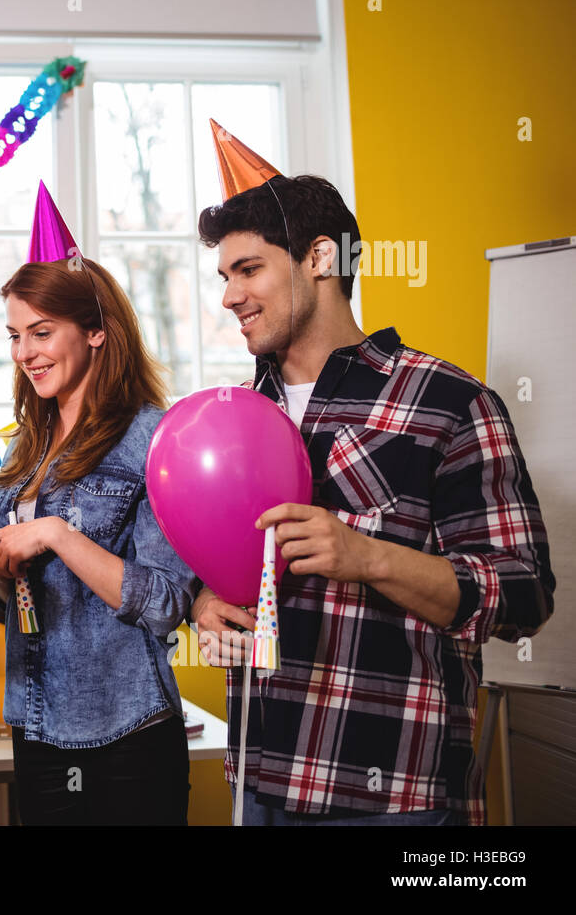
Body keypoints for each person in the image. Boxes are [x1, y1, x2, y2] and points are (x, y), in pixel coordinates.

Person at [192, 136, 554, 825]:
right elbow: (229, 567)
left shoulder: (448, 401)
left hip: (395, 795)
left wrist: (369, 558)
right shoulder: (238, 418)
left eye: (248, 270)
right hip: (262, 780)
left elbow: (523, 595)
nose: (231, 296)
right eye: (224, 278)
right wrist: (208, 601)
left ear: (322, 259)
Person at [0, 184, 198, 825]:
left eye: (42, 332)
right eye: (16, 335)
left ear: (98, 332)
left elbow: (167, 602)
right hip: (36, 722)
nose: (25, 354)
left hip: (126, 733)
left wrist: (54, 534)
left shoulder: (152, 439)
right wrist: (0, 571)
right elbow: (15, 595)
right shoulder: (26, 448)